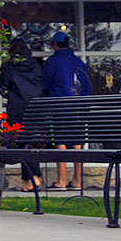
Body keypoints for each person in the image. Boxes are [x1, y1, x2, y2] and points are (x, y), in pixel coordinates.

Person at [42, 30, 91, 190]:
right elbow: (87, 85)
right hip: (78, 107)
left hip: (60, 106)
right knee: (77, 143)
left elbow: (45, 85)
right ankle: (77, 181)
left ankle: (61, 181)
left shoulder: (52, 62)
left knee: (61, 141)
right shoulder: (79, 62)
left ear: (55, 45)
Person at [0, 38, 44, 191]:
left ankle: (31, 178)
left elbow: (3, 86)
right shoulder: (36, 65)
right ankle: (31, 178)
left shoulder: (11, 66)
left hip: (17, 107)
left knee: (20, 142)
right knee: (31, 141)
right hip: (36, 107)